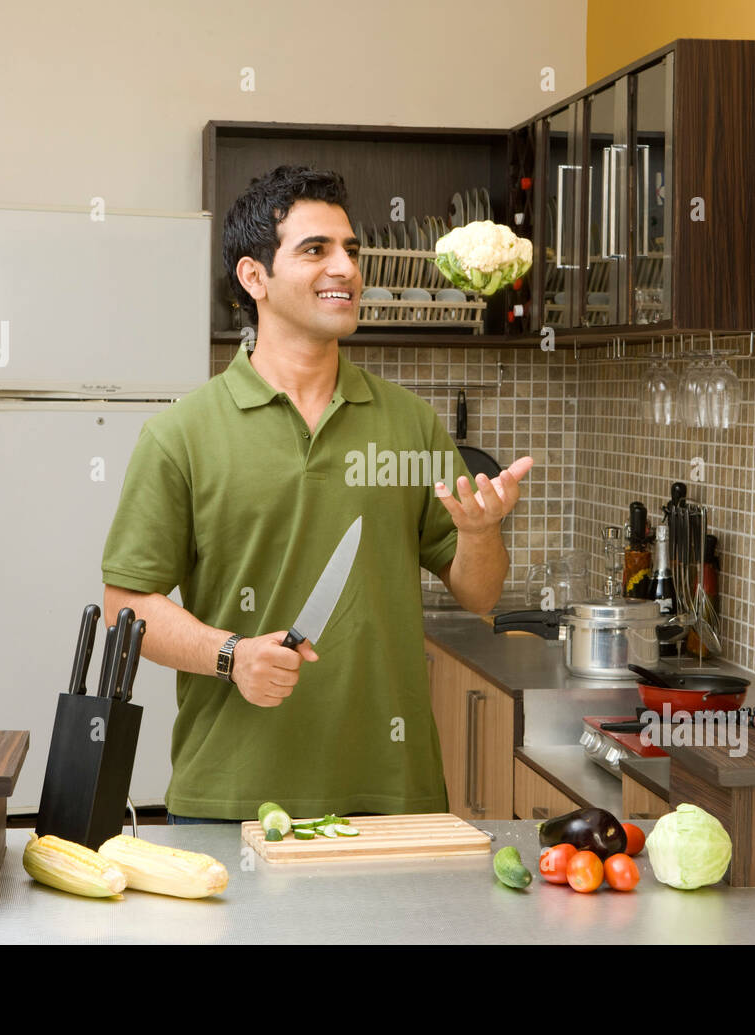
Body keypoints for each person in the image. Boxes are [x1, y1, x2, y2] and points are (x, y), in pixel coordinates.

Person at [100, 164, 532, 823]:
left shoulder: (409, 422)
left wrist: (479, 531)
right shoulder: (180, 435)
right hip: (232, 795)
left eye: (350, 250)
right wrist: (231, 655)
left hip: (392, 797)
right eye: (315, 249)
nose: (346, 269)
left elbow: (481, 594)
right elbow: (125, 606)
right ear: (255, 278)